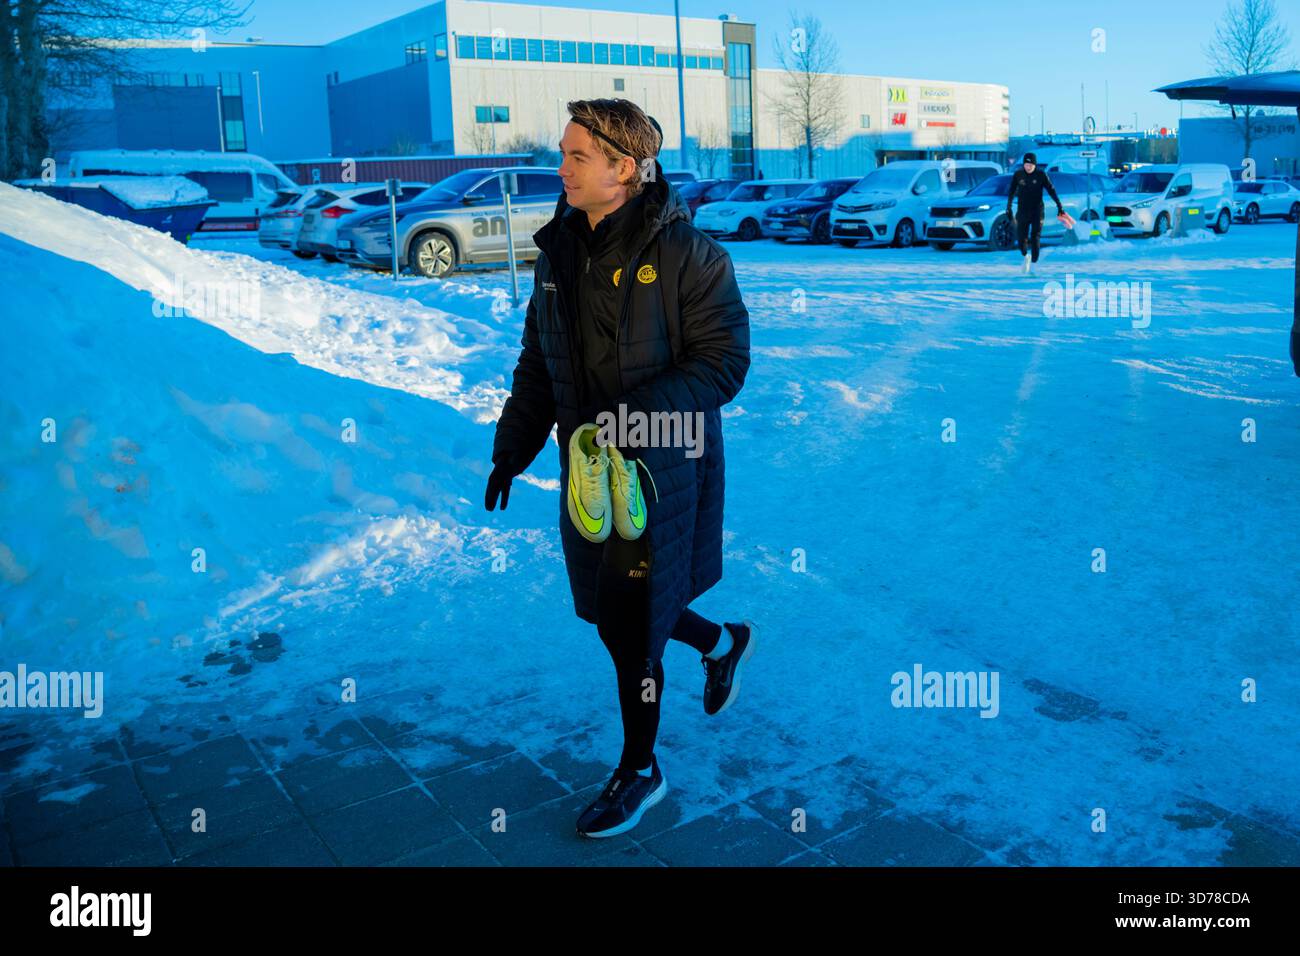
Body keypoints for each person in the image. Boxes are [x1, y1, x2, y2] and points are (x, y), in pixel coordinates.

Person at [484, 98, 756, 839]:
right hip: (589, 475)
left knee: (630, 628)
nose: (561, 168)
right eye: (563, 153)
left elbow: (724, 364)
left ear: (623, 170)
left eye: (576, 156)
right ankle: (721, 641)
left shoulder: (689, 256)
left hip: (662, 471)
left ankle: (641, 770)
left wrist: (631, 417)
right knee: (616, 613)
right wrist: (515, 444)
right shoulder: (558, 252)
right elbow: (539, 361)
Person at [1006, 152, 1064, 274]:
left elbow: (1051, 190)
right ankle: (1026, 255)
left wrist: (1059, 205)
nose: (1028, 167)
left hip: (1037, 211)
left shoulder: (1041, 175)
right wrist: (1009, 207)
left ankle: (1033, 265)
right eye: (1026, 164)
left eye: (1031, 165)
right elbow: (1011, 191)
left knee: (1035, 237)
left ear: (1035, 165)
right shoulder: (1018, 175)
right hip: (1022, 210)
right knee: (1021, 239)